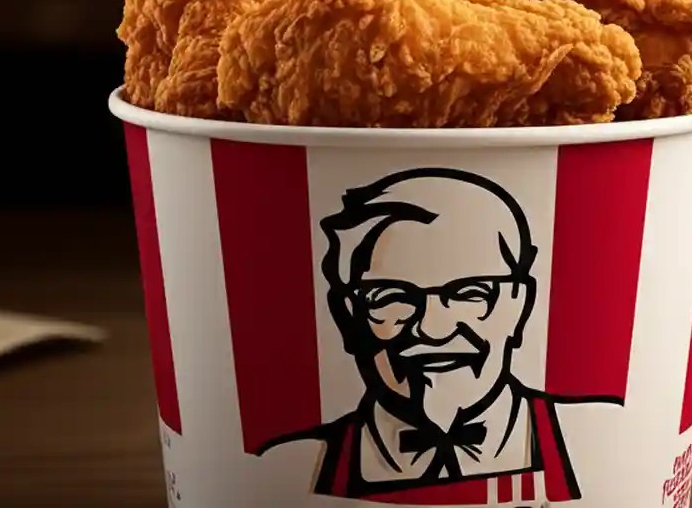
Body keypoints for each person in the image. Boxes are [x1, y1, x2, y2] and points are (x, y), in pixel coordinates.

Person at [259, 168, 617, 502]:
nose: (433, 329)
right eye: (392, 297)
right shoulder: (293, 465)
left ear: (519, 305)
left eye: (471, 293)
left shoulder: (600, 436)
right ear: (348, 317)